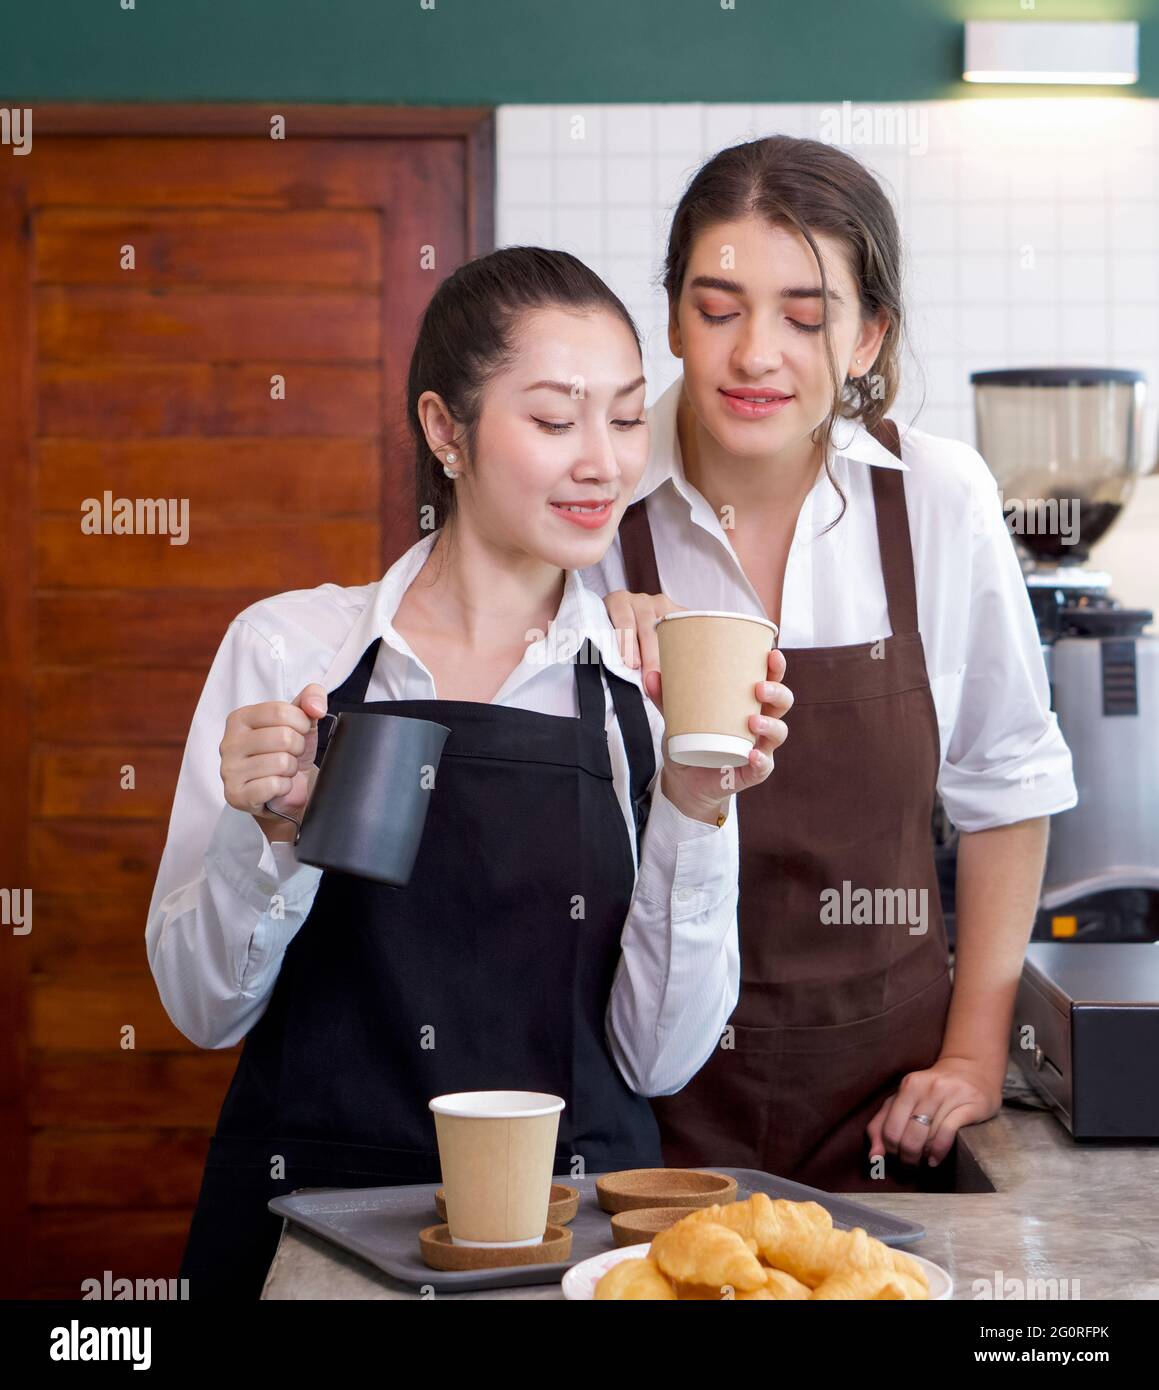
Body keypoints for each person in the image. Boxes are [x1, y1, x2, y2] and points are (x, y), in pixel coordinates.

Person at [146, 246, 792, 1297]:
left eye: (627, 418)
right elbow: (199, 1007)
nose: (603, 462)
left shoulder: (650, 676)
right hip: (314, 1227)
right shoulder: (287, 652)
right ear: (445, 430)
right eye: (553, 420)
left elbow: (661, 1061)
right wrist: (268, 838)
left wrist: (693, 804)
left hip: (574, 1241)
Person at [583, 137, 1078, 1192]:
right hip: (634, 1099)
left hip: (884, 1102)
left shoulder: (937, 498)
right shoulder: (593, 504)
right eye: (717, 309)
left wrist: (972, 1053)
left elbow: (1008, 786)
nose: (755, 352)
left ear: (868, 337)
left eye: (804, 317)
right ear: (670, 318)